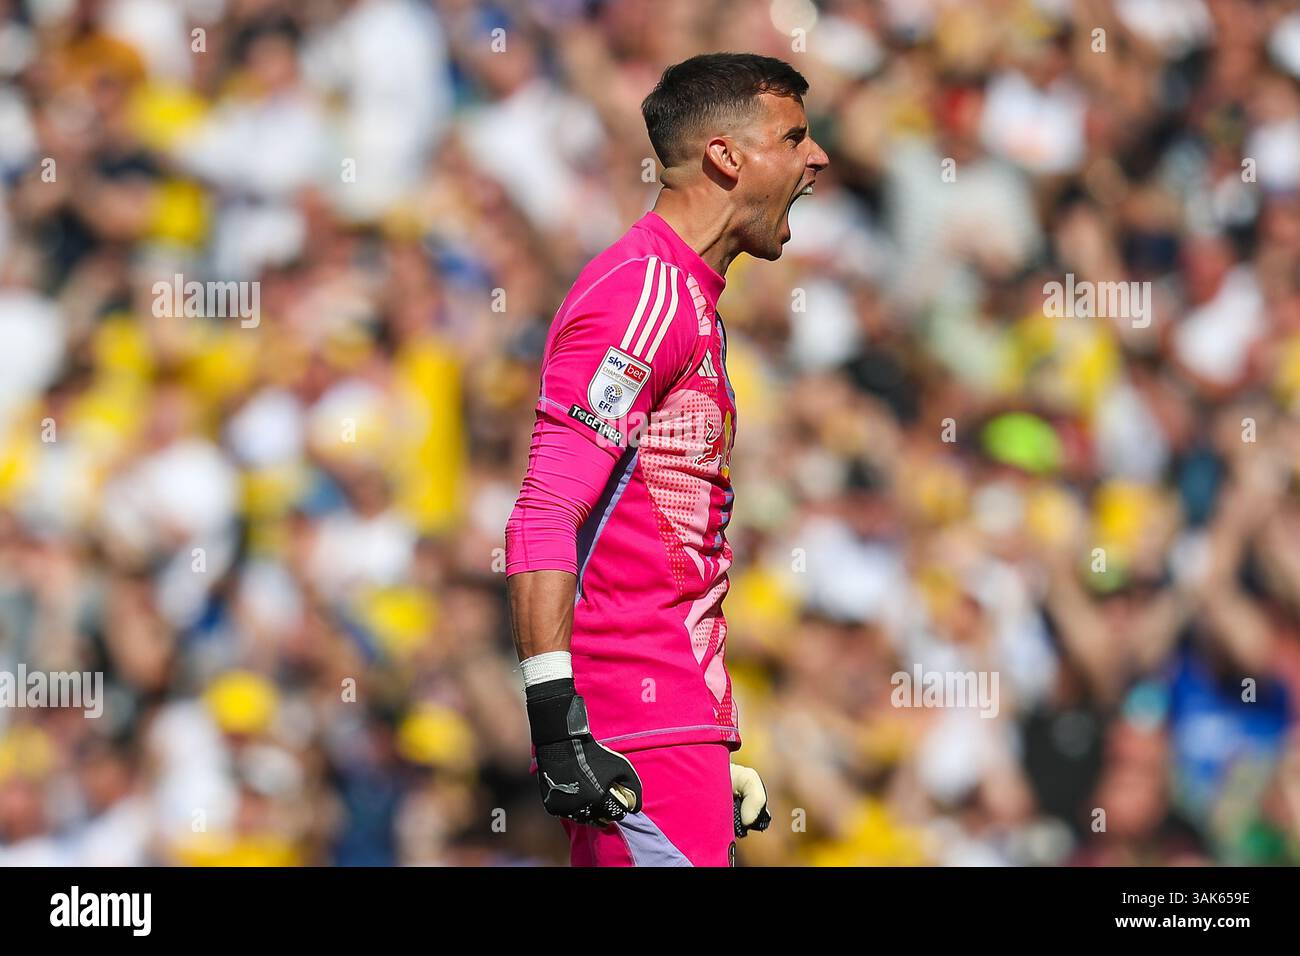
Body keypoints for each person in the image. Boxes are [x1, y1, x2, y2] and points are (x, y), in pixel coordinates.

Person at [504, 52, 829, 866]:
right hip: (634, 729)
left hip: (671, 730)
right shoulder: (642, 294)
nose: (818, 157)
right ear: (726, 156)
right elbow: (543, 514)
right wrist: (558, 724)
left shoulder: (687, 300)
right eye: (794, 137)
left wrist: (706, 747)